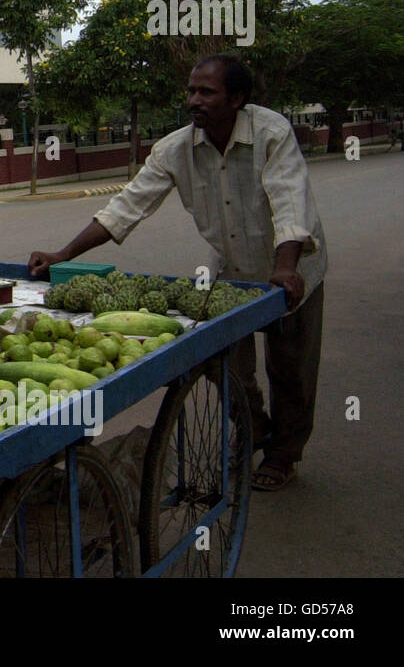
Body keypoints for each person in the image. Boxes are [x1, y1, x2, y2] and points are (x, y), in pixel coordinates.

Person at [27, 54, 327, 492]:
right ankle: (254, 429)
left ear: (237, 98)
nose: (194, 101)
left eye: (207, 92)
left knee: (291, 370)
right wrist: (62, 254)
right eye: (191, 91)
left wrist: (285, 268)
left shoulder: (271, 133)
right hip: (235, 271)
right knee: (226, 366)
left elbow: (289, 202)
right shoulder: (174, 149)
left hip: (293, 265)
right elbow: (125, 208)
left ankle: (283, 454)